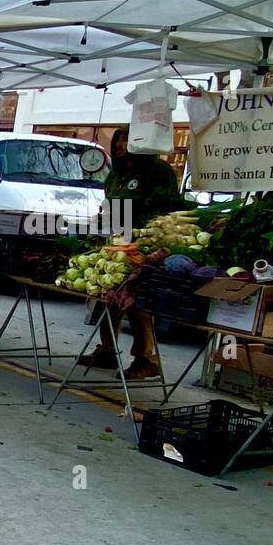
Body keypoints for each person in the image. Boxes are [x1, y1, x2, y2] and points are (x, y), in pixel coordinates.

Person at [81, 127, 184, 379]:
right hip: (114, 242)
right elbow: (109, 205)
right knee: (109, 296)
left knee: (136, 300)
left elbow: (167, 207)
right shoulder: (115, 175)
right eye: (118, 140)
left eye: (127, 139)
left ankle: (145, 358)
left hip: (145, 245)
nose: (121, 144)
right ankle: (106, 349)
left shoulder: (159, 171)